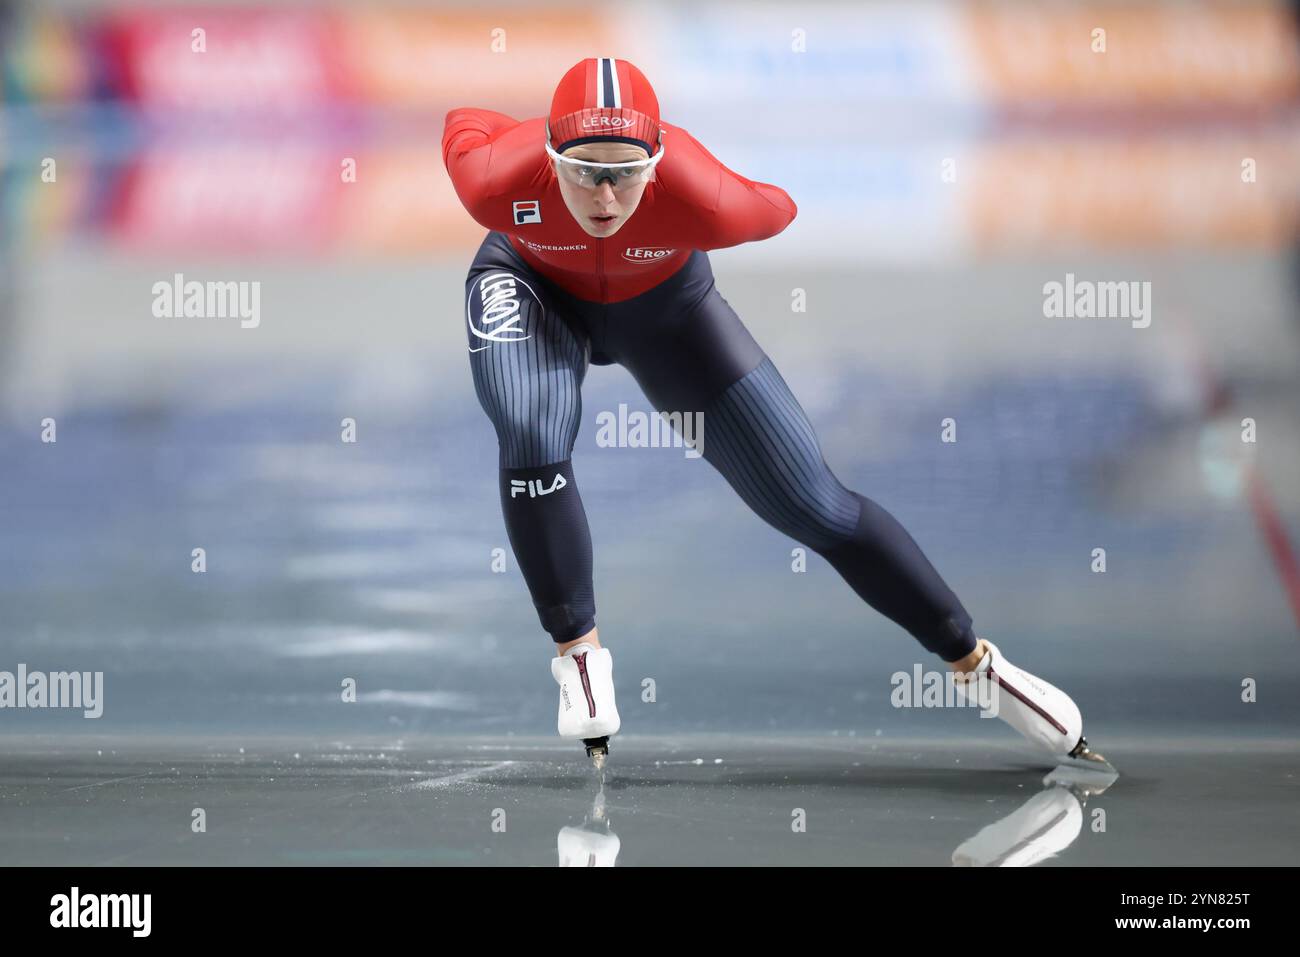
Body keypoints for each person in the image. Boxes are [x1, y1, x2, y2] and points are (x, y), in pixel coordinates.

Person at [442, 57, 1111, 771]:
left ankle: (977, 664)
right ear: (549, 156)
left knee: (816, 505)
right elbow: (463, 120)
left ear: (658, 162)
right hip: (531, 285)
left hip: (666, 314)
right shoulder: (494, 181)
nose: (604, 197)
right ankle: (579, 654)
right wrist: (523, 141)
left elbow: (777, 206)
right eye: (583, 171)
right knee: (530, 420)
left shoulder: (708, 197)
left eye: (626, 173)